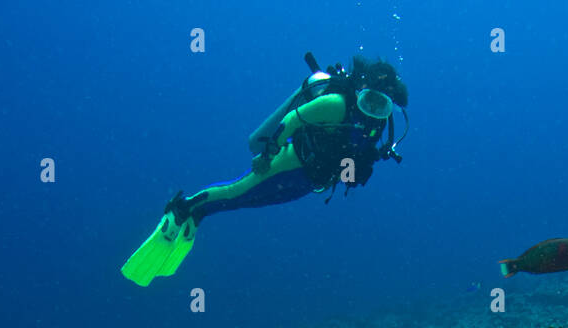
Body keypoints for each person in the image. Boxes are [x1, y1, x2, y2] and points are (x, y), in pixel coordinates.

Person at [122, 53, 409, 286]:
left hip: (310, 178)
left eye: (381, 105)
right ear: (361, 90)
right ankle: (183, 209)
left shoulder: (379, 123)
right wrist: (269, 152)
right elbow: (293, 120)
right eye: (370, 99)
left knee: (251, 201)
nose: (372, 108)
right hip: (293, 159)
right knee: (240, 191)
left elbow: (356, 151)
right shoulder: (336, 104)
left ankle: (200, 214)